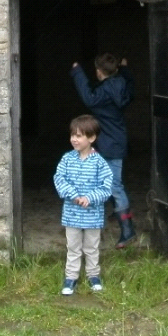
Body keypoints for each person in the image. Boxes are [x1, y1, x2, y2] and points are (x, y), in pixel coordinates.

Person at [70, 53, 137, 248]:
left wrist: (77, 73)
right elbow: (130, 84)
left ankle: (128, 230)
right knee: (102, 182)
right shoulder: (122, 84)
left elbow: (89, 98)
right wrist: (124, 69)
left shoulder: (104, 91)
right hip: (113, 140)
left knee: (114, 186)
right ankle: (117, 213)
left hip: (110, 144)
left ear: (99, 72)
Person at [53, 114, 114, 295]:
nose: (74, 139)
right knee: (73, 247)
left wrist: (90, 198)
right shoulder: (67, 159)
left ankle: (93, 275)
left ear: (92, 138)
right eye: (73, 135)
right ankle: (70, 278)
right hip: (72, 214)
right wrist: (73, 195)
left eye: (79, 136)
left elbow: (106, 186)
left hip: (92, 215)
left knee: (91, 247)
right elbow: (59, 179)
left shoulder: (99, 163)